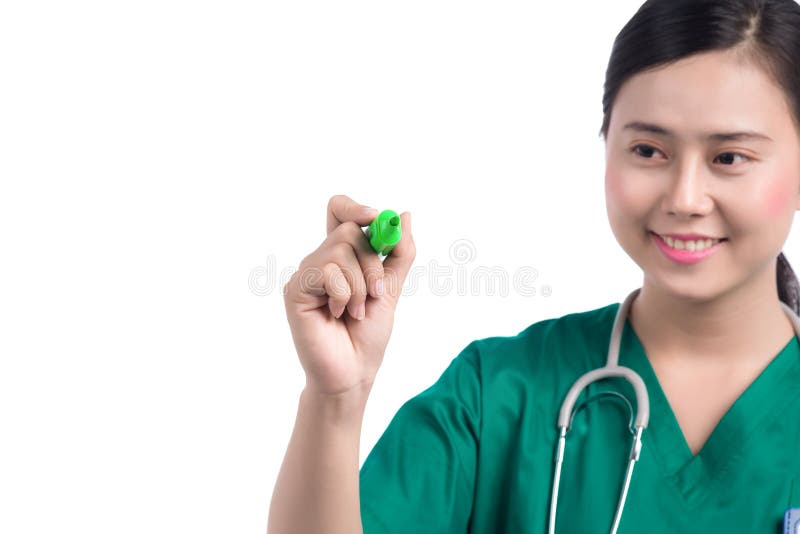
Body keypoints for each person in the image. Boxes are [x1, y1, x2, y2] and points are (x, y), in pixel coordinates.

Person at [267, 0, 800, 531]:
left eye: (728, 158)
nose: (685, 198)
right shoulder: (496, 397)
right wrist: (336, 399)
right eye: (648, 150)